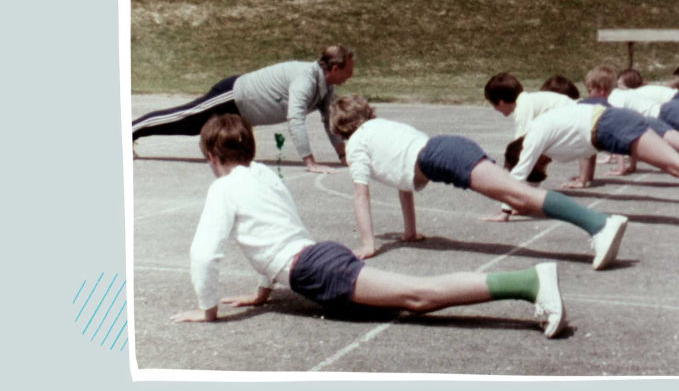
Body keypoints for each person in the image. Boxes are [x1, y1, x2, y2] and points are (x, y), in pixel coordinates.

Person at [169, 114, 569, 338]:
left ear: (209, 154)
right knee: (417, 298)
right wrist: (261, 293)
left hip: (315, 268)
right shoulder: (262, 175)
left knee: (419, 297)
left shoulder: (224, 189)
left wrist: (207, 311)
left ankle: (529, 282)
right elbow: (275, 233)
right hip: (318, 256)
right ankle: (527, 284)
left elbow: (205, 254)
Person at [329, 95, 628, 270]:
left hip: (443, 157)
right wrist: (409, 232)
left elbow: (360, 196)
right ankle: (598, 224)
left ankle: (600, 224)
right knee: (517, 196)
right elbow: (404, 181)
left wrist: (368, 244)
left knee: (519, 196)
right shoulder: (382, 126)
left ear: (341, 129)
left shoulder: (356, 144)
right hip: (447, 149)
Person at [132, 45, 355, 173]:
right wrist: (310, 162)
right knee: (183, 118)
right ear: (335, 68)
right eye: (348, 70)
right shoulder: (305, 78)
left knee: (190, 127)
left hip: (243, 111)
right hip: (233, 96)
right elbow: (295, 118)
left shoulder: (326, 87)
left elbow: (329, 120)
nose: (351, 75)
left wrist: (342, 154)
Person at [499, 103, 679, 201]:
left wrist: (506, 209)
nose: (546, 163)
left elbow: (518, 176)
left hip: (612, 126)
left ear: (524, 152)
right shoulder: (547, 140)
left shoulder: (536, 134)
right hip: (612, 129)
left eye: (541, 164)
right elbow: (530, 179)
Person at [585, 66, 679, 144]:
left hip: (669, 112)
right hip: (673, 107)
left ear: (602, 88)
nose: (589, 95)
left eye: (590, 90)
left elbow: (621, 129)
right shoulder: (632, 93)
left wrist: (622, 166)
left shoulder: (616, 99)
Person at [484, 72, 574, 139]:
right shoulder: (527, 100)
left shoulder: (522, 107)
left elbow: (521, 142)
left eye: (493, 104)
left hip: (572, 117)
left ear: (501, 102)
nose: (495, 109)